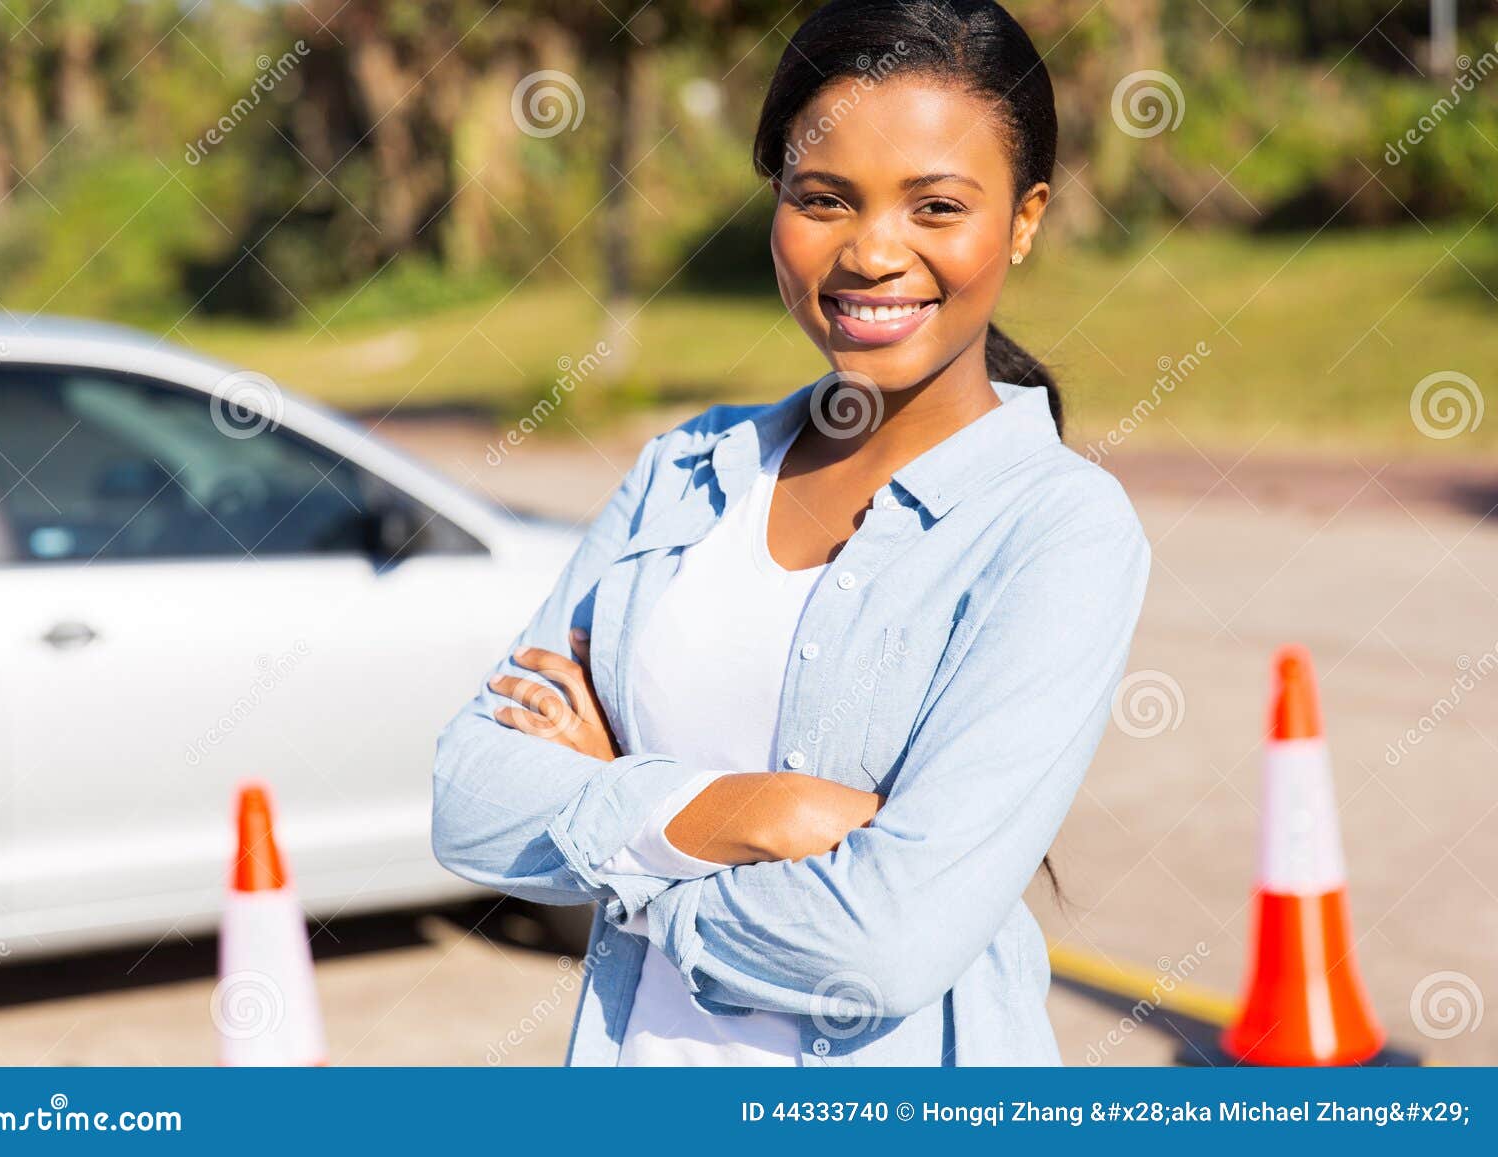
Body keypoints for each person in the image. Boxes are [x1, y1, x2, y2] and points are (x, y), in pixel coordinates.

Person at [431, 0, 1151, 1066]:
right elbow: (468, 800)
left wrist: (624, 855)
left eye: (936, 207)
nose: (870, 251)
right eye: (823, 199)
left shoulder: (1059, 531)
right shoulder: (680, 474)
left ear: (1026, 217)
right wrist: (747, 809)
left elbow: (883, 946)